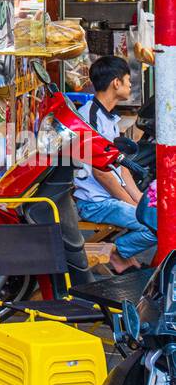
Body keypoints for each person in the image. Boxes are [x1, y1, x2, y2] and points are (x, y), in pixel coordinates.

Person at [74, 55, 156, 272]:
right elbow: (101, 173)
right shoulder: (89, 118)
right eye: (128, 80)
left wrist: (139, 200)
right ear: (116, 82)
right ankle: (117, 254)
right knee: (158, 226)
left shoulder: (108, 118)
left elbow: (119, 166)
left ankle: (122, 255)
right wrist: (133, 206)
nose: (130, 85)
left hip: (110, 199)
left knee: (155, 216)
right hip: (95, 203)